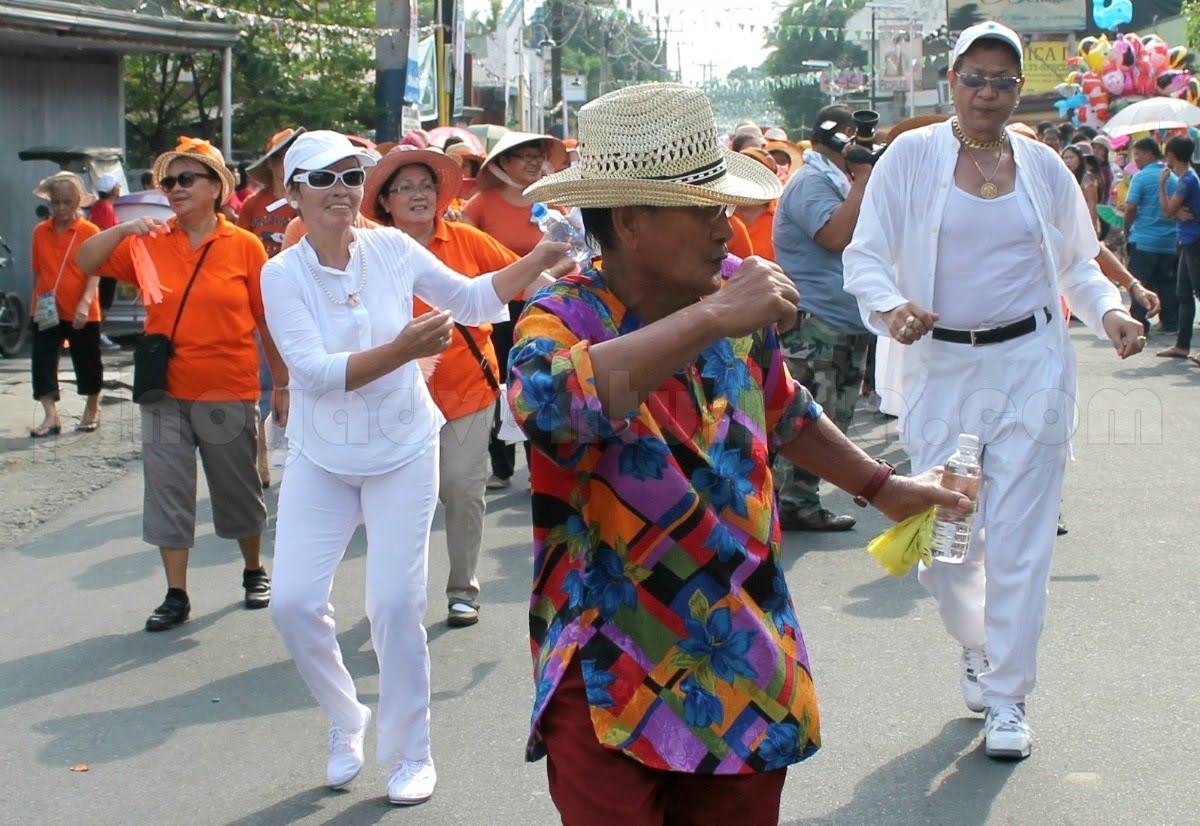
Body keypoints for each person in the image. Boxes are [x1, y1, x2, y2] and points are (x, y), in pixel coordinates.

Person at [508, 82, 968, 824]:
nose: (730, 227)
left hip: (737, 643)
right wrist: (714, 315)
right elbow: (555, 406)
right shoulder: (563, 316)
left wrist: (883, 488)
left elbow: (784, 408)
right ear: (630, 220)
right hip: (612, 656)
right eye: (706, 211)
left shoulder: (731, 296)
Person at [843, 21, 1145, 761]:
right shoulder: (912, 157)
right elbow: (867, 256)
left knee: (1021, 540)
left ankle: (1009, 695)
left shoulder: (1042, 166)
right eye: (975, 78)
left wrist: (1109, 309)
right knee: (950, 540)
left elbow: (1077, 260)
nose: (988, 93)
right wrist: (893, 308)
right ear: (953, 81)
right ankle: (976, 643)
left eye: (1003, 82)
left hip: (1032, 367)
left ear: (1018, 89)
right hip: (943, 372)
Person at [260, 131, 569, 805]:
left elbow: (478, 301)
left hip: (401, 447)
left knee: (395, 605)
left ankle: (410, 753)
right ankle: (347, 720)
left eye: (349, 176)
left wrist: (544, 255)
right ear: (293, 194)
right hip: (323, 454)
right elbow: (312, 373)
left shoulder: (393, 248)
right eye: (322, 179)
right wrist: (402, 349)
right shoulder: (280, 273)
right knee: (293, 604)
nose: (340, 189)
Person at [77, 136, 285, 631]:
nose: (173, 188)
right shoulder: (148, 241)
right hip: (163, 391)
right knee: (167, 490)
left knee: (235, 490)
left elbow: (265, 318)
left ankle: (253, 570)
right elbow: (86, 261)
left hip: (226, 387)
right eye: (166, 181)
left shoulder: (244, 246)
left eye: (186, 178)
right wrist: (126, 225)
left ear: (217, 187)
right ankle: (176, 593)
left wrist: (281, 382)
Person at [361, 145, 572, 628]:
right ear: (385, 202)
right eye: (405, 188)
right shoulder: (368, 251)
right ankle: (396, 594)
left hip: (465, 390)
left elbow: (527, 283)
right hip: (390, 396)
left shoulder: (467, 241)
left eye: (426, 186)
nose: (418, 195)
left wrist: (569, 271)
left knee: (460, 487)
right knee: (395, 500)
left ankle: (462, 589)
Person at [771, 105, 876, 532]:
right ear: (835, 139)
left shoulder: (837, 181)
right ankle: (792, 501)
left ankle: (798, 499)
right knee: (811, 419)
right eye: (855, 137)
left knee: (836, 416)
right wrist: (865, 179)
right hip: (817, 326)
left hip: (843, 321)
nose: (862, 146)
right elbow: (835, 237)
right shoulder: (812, 182)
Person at [461, 131, 568, 490]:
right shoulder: (481, 203)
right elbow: (464, 249)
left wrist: (545, 276)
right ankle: (501, 466)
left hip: (545, 305)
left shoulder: (554, 202)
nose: (534, 161)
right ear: (503, 163)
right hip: (498, 307)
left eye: (537, 154)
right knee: (499, 382)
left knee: (540, 382)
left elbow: (578, 246)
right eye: (523, 155)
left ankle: (542, 468)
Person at [239, 127, 306, 488]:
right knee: (266, 387)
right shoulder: (254, 205)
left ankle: (304, 462)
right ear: (274, 162)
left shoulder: (313, 197)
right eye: (282, 155)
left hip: (307, 306)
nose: (288, 162)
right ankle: (262, 460)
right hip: (262, 309)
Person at [28, 172, 103, 436]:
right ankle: (51, 416)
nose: (60, 208)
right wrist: (35, 304)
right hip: (47, 310)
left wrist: (85, 302)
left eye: (66, 202)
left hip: (82, 310)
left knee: (88, 361)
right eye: (55, 202)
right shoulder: (40, 232)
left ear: (77, 202)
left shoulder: (90, 231)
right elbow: (38, 272)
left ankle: (91, 408)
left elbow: (96, 271)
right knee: (42, 363)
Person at [1124, 137, 1180, 334]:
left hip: (1144, 240)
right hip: (1169, 241)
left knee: (1139, 283)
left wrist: (1126, 229)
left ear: (1149, 153)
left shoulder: (1140, 177)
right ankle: (1170, 323)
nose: (1135, 159)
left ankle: (1139, 323)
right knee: (1167, 284)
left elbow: (1130, 207)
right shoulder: (1172, 177)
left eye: (1137, 154)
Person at [1158, 134, 1200, 365]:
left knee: (1196, 293)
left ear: (1172, 155)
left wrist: (1162, 185)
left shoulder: (1186, 181)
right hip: (1187, 239)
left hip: (1194, 240)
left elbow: (1167, 210)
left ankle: (1185, 345)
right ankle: (1182, 345)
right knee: (1183, 293)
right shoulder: (1187, 178)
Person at [237, 127, 306, 258]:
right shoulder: (252, 203)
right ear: (270, 163)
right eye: (286, 157)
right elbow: (240, 249)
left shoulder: (310, 201)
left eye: (296, 157)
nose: (292, 163)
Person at [90, 172, 123, 351]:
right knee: (103, 300)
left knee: (102, 299)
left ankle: (98, 333)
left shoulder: (100, 206)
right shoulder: (104, 208)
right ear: (113, 190)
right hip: (105, 261)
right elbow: (104, 232)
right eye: (117, 186)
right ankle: (98, 334)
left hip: (105, 260)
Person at [1062, 144, 1101, 236]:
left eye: (1071, 157)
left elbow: (1092, 203)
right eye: (1065, 158)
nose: (1068, 161)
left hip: (1083, 220)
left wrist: (1093, 225)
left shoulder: (1087, 178)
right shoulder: (1063, 177)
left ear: (1079, 158)